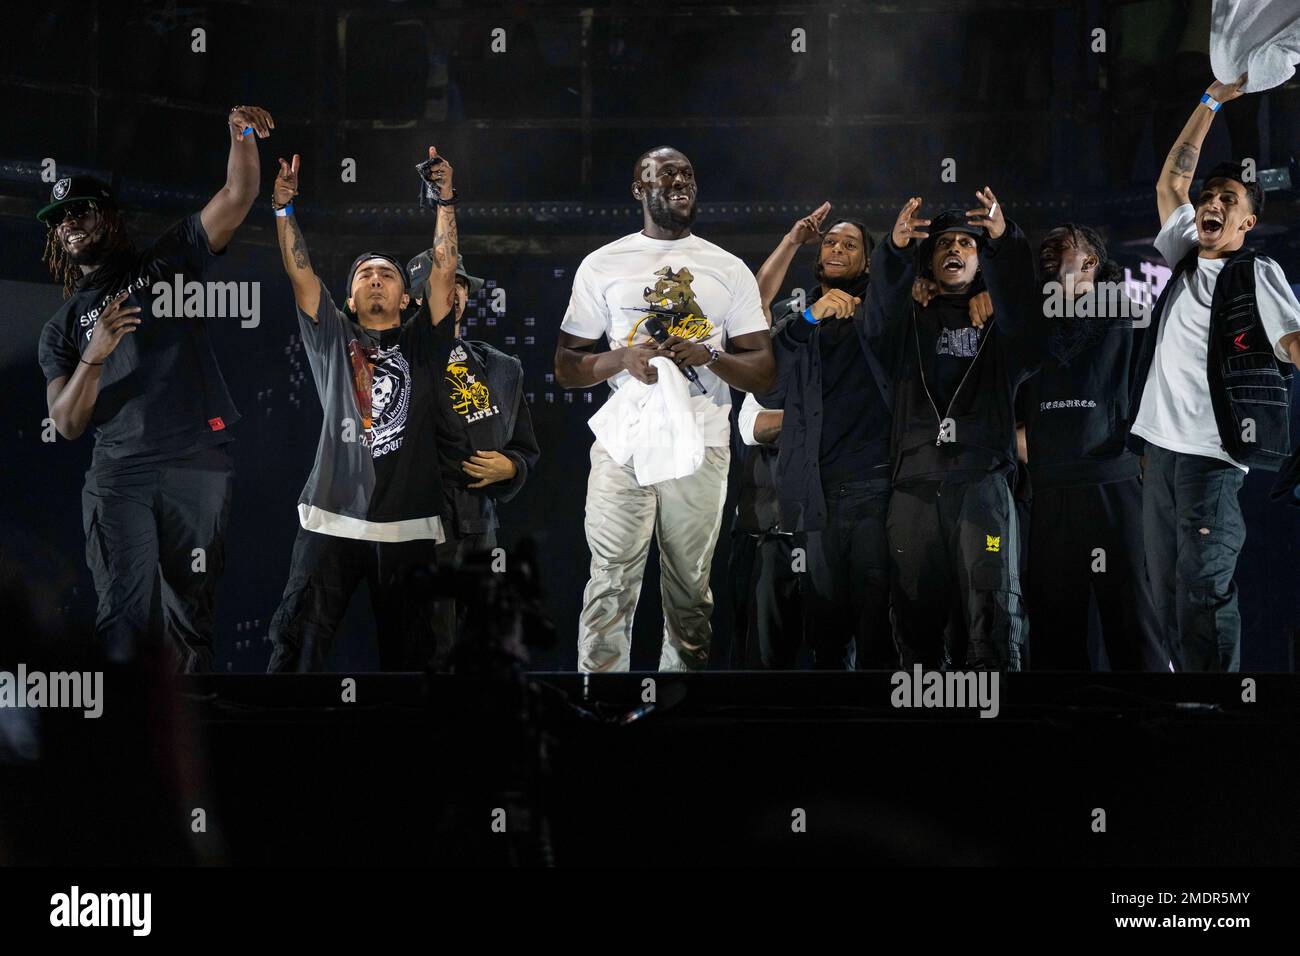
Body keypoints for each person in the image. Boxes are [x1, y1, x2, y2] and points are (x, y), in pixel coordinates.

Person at [37, 105, 275, 671]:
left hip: (196, 460)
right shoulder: (62, 328)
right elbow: (66, 424)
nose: (70, 222)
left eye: (82, 211)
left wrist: (240, 135)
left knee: (191, 618)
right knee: (123, 617)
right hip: (120, 475)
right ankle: (121, 748)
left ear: (111, 219)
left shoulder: (167, 259)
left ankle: (194, 743)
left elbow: (237, 196)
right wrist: (94, 357)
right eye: (60, 218)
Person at [554, 146, 774, 672]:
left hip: (700, 443)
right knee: (610, 578)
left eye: (688, 174)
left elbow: (764, 370)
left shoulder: (727, 268)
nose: (680, 181)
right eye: (666, 174)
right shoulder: (602, 264)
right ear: (640, 190)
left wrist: (711, 355)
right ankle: (601, 703)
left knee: (690, 588)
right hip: (625, 442)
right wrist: (621, 358)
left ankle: (681, 707)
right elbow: (566, 366)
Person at [265, 147, 460, 672]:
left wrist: (445, 201)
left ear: (405, 298)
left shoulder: (425, 342)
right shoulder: (332, 336)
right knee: (295, 652)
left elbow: (443, 274)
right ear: (349, 298)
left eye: (387, 274)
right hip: (330, 516)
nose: (375, 278)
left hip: (408, 525)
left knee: (414, 667)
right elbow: (301, 275)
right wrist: (284, 211)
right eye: (364, 274)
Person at [1129, 74, 1300, 672]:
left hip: (1213, 457)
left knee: (1203, 588)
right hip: (1158, 454)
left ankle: (1220, 714)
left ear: (1248, 223)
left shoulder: (1257, 272)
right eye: (1212, 196)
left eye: (1231, 200)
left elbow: (1295, 343)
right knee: (1166, 592)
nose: (1214, 203)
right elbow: (1173, 179)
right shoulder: (1182, 251)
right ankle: (1184, 704)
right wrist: (1210, 100)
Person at [875, 192, 1043, 671]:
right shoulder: (906, 320)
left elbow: (1029, 331)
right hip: (915, 485)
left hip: (981, 482)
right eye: (943, 243)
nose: (954, 248)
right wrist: (894, 249)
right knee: (914, 611)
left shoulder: (1002, 325)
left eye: (966, 244)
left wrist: (1004, 240)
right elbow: (875, 324)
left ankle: (994, 723)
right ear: (928, 262)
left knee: (991, 603)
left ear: (979, 260)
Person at [754, 204, 899, 668]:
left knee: (879, 627)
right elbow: (768, 386)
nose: (836, 249)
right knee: (826, 631)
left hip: (877, 486)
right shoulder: (796, 313)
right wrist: (810, 318)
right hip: (815, 492)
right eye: (831, 242)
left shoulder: (882, 306)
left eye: (849, 245)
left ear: (868, 260)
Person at [1022, 224, 1165, 670]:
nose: (1047, 251)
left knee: (1131, 619)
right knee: (1053, 624)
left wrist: (1145, 457)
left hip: (1114, 482)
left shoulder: (1130, 312)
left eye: (1060, 245)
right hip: (1047, 489)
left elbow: (1153, 385)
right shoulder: (1026, 317)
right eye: (1043, 247)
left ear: (1090, 262)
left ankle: (1150, 722)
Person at [405, 249, 540, 645]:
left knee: (486, 645)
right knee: (431, 643)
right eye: (444, 283)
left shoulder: (500, 366)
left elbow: (524, 447)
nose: (455, 291)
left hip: (481, 524)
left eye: (460, 284)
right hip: (423, 523)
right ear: (416, 297)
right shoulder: (401, 358)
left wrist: (512, 468)